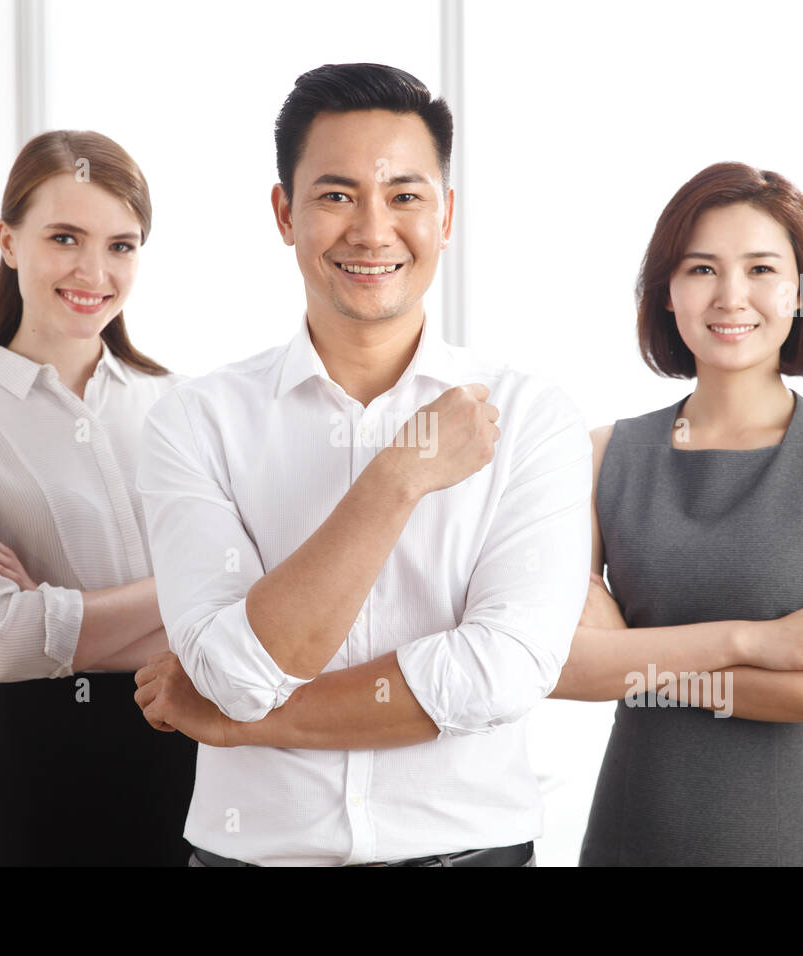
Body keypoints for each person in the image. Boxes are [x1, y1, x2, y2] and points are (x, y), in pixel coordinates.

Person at [132, 63, 592, 866]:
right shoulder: (194, 422)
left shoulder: (530, 419)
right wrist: (399, 477)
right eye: (337, 195)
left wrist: (251, 720)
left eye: (405, 196)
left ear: (446, 216)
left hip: (471, 854)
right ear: (285, 213)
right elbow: (235, 674)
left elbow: (504, 672)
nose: (373, 231)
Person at [550, 161, 803, 865]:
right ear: (667, 293)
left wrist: (633, 657)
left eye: (762, 269)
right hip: (632, 835)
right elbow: (557, 667)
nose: (731, 296)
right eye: (702, 269)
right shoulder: (599, 457)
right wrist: (755, 641)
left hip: (792, 839)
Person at [0, 130, 197, 866]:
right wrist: (190, 596)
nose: (94, 270)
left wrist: (57, 610)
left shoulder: (181, 407)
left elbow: (258, 609)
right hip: (38, 794)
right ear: (7, 240)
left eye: (121, 246)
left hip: (195, 777)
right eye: (65, 237)